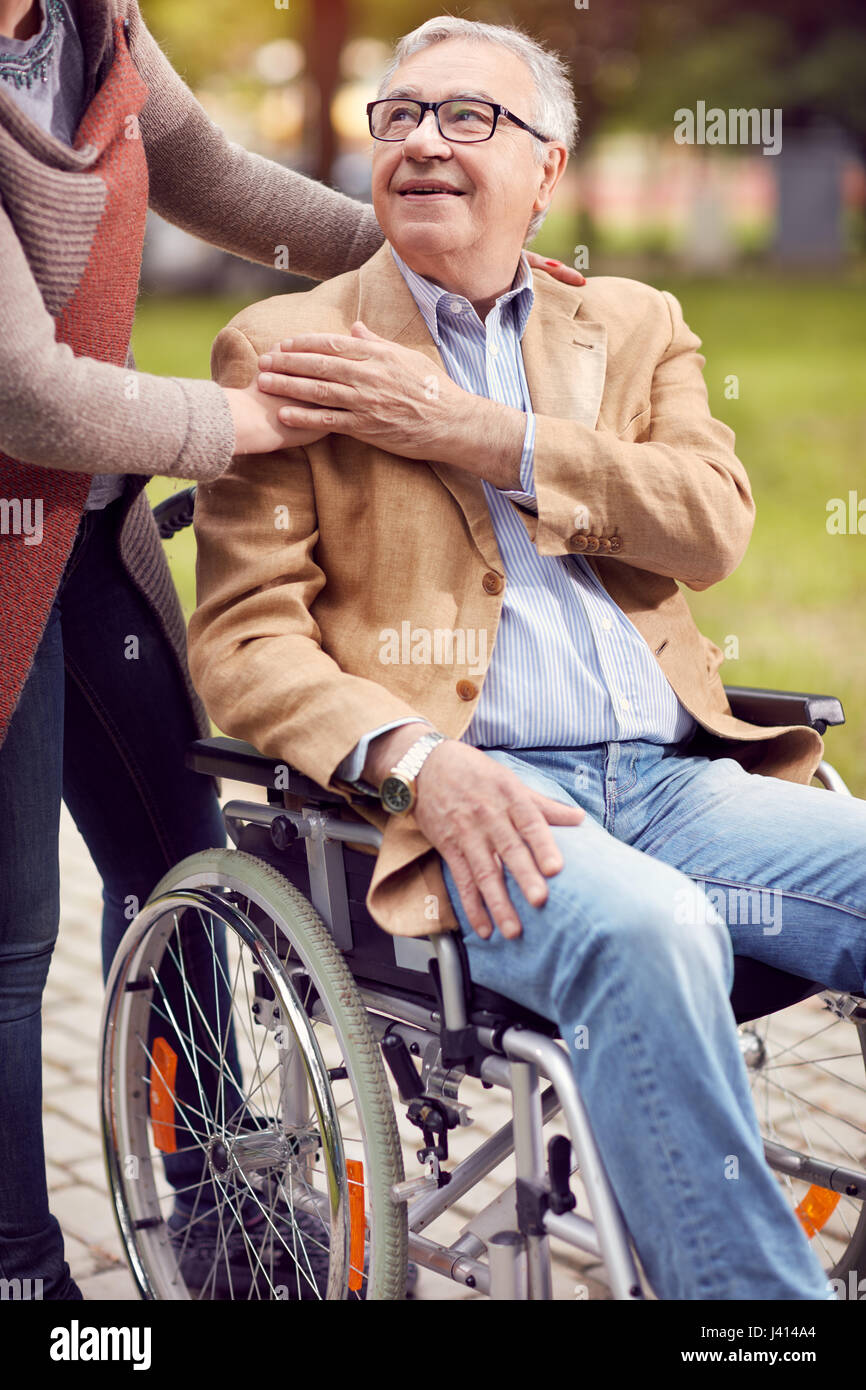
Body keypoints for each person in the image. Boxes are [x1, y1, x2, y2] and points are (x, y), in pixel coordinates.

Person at [189, 16, 866, 1300]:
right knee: (653, 928)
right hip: (482, 806)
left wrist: (487, 434)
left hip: (678, 783)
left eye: (467, 119)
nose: (423, 144)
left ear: (545, 170)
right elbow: (244, 634)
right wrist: (412, 763)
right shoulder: (292, 349)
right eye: (397, 118)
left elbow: (710, 525)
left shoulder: (631, 318)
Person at [0, 0, 586, 1302]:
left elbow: (216, 181)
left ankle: (210, 1188)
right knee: (11, 928)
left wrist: (441, 246)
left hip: (85, 527)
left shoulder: (95, 31)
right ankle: (22, 1271)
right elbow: (23, 388)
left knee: (183, 859)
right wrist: (238, 418)